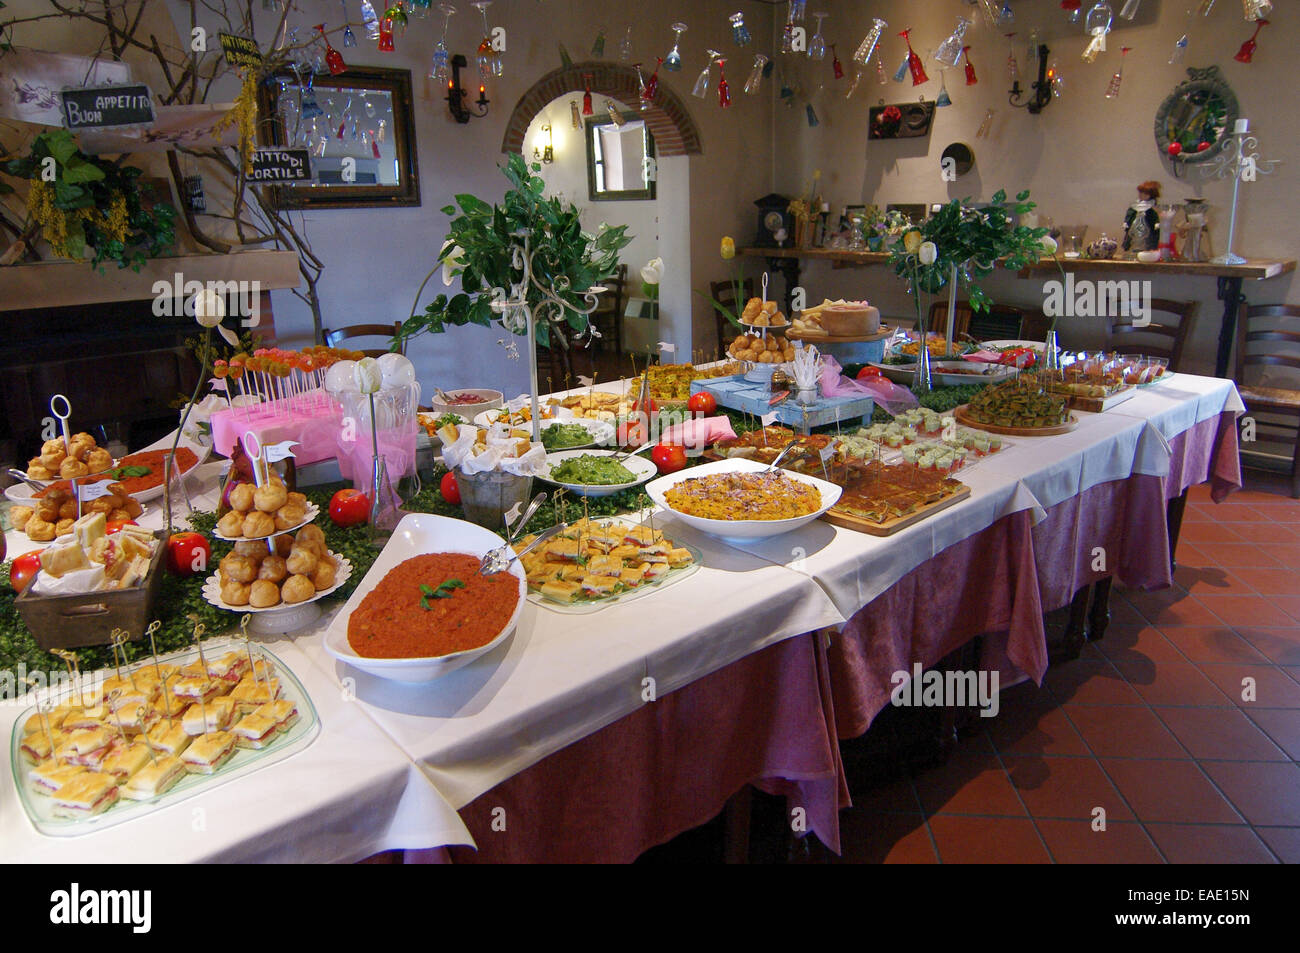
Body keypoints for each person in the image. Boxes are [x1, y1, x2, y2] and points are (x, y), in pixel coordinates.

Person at [1122, 181, 1161, 254]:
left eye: (1145, 193)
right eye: (1140, 193)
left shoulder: (1151, 207)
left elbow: (1154, 216)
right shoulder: (1135, 205)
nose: (1141, 195)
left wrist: (1156, 223)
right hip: (1135, 225)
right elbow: (1130, 214)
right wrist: (1126, 222)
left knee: (1146, 239)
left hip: (1147, 227)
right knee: (1132, 237)